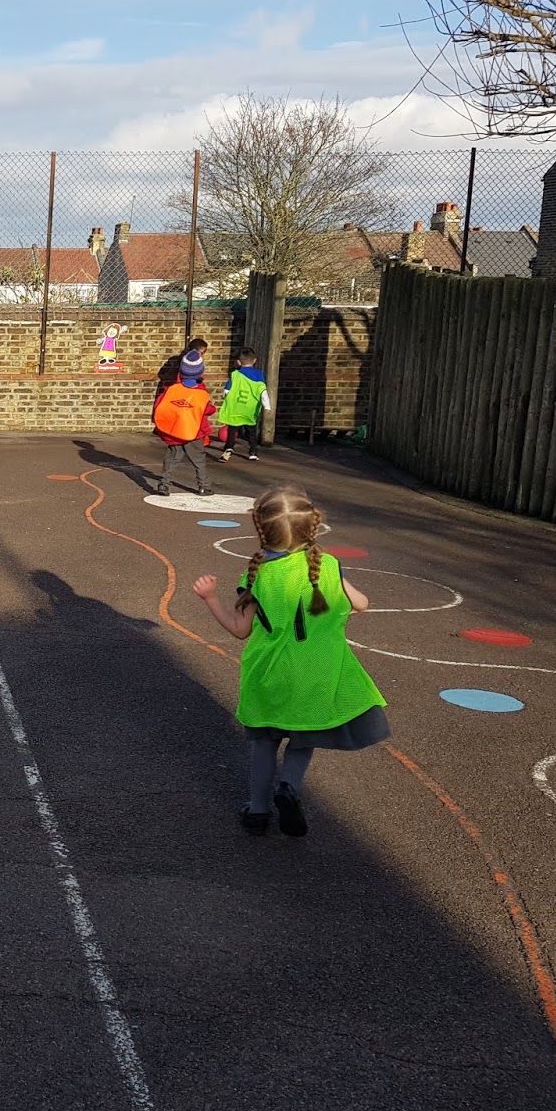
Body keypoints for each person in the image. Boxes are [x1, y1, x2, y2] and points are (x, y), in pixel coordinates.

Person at [192, 484, 389, 837]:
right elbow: (361, 604)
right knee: (303, 737)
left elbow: (239, 629)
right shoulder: (327, 565)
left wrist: (209, 599)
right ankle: (289, 787)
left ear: (261, 529)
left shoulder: (258, 575)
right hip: (318, 670)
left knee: (264, 743)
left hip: (269, 672)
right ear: (311, 526)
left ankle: (256, 810)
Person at [152, 349, 216, 496]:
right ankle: (203, 486)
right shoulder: (201, 393)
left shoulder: (172, 389)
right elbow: (209, 410)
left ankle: (164, 484)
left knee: (172, 459)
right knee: (199, 460)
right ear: (201, 372)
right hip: (194, 432)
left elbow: (160, 406)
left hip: (175, 431)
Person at [217, 347, 271, 462]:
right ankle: (253, 452)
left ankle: (229, 448)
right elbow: (263, 391)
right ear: (255, 360)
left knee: (232, 430)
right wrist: (267, 406)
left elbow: (226, 391)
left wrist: (227, 400)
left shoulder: (234, 375)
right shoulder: (258, 375)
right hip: (250, 410)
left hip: (236, 409)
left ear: (238, 362)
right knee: (251, 431)